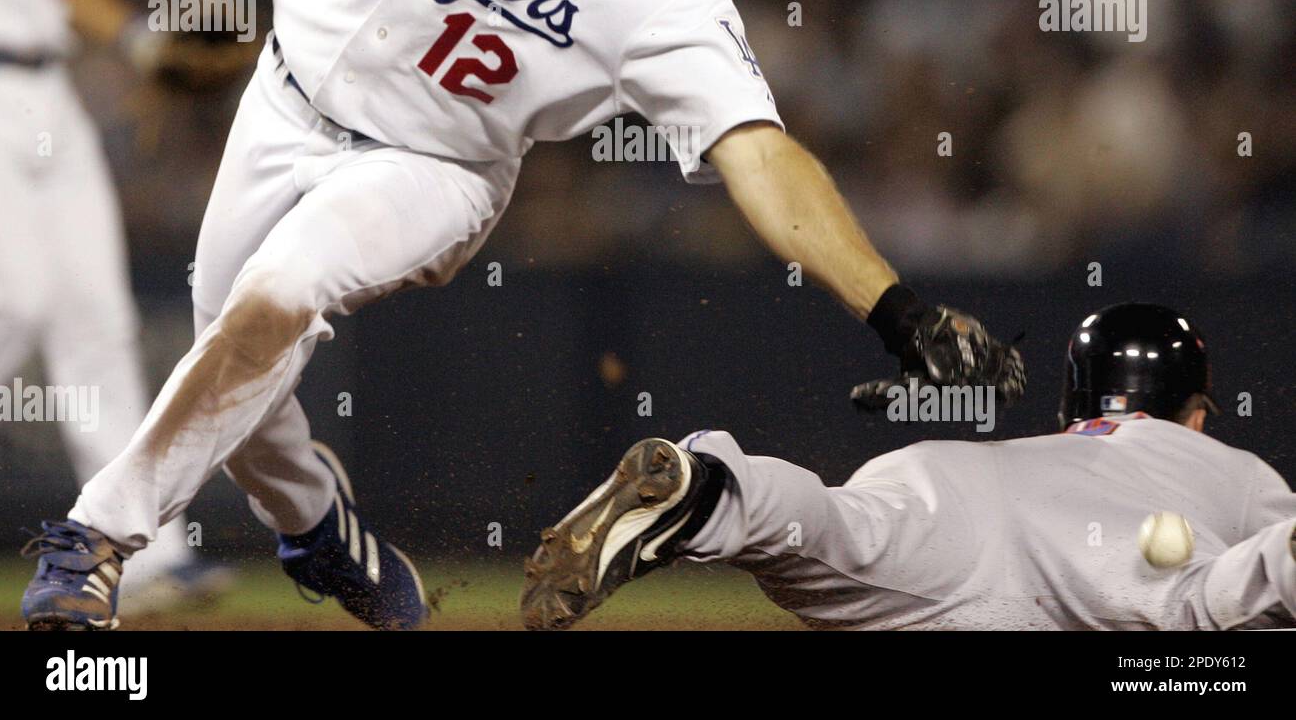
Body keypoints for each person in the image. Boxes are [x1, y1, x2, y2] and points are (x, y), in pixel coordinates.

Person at [21, 0, 1021, 631]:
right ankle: (321, 527)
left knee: (278, 296)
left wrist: (895, 311)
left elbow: (759, 151)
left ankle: (97, 537)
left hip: (431, 166)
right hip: (281, 101)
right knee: (238, 367)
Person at [522, 303, 1296, 631]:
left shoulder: (1060, 444)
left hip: (955, 484)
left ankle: (713, 487)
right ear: (1194, 409)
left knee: (827, 527)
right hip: (1106, 553)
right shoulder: (1221, 459)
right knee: (1215, 609)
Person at [0, 0, 233, 621]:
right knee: (10, 308)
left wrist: (142, 44)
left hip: (47, 88)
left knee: (97, 313)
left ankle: (142, 550)